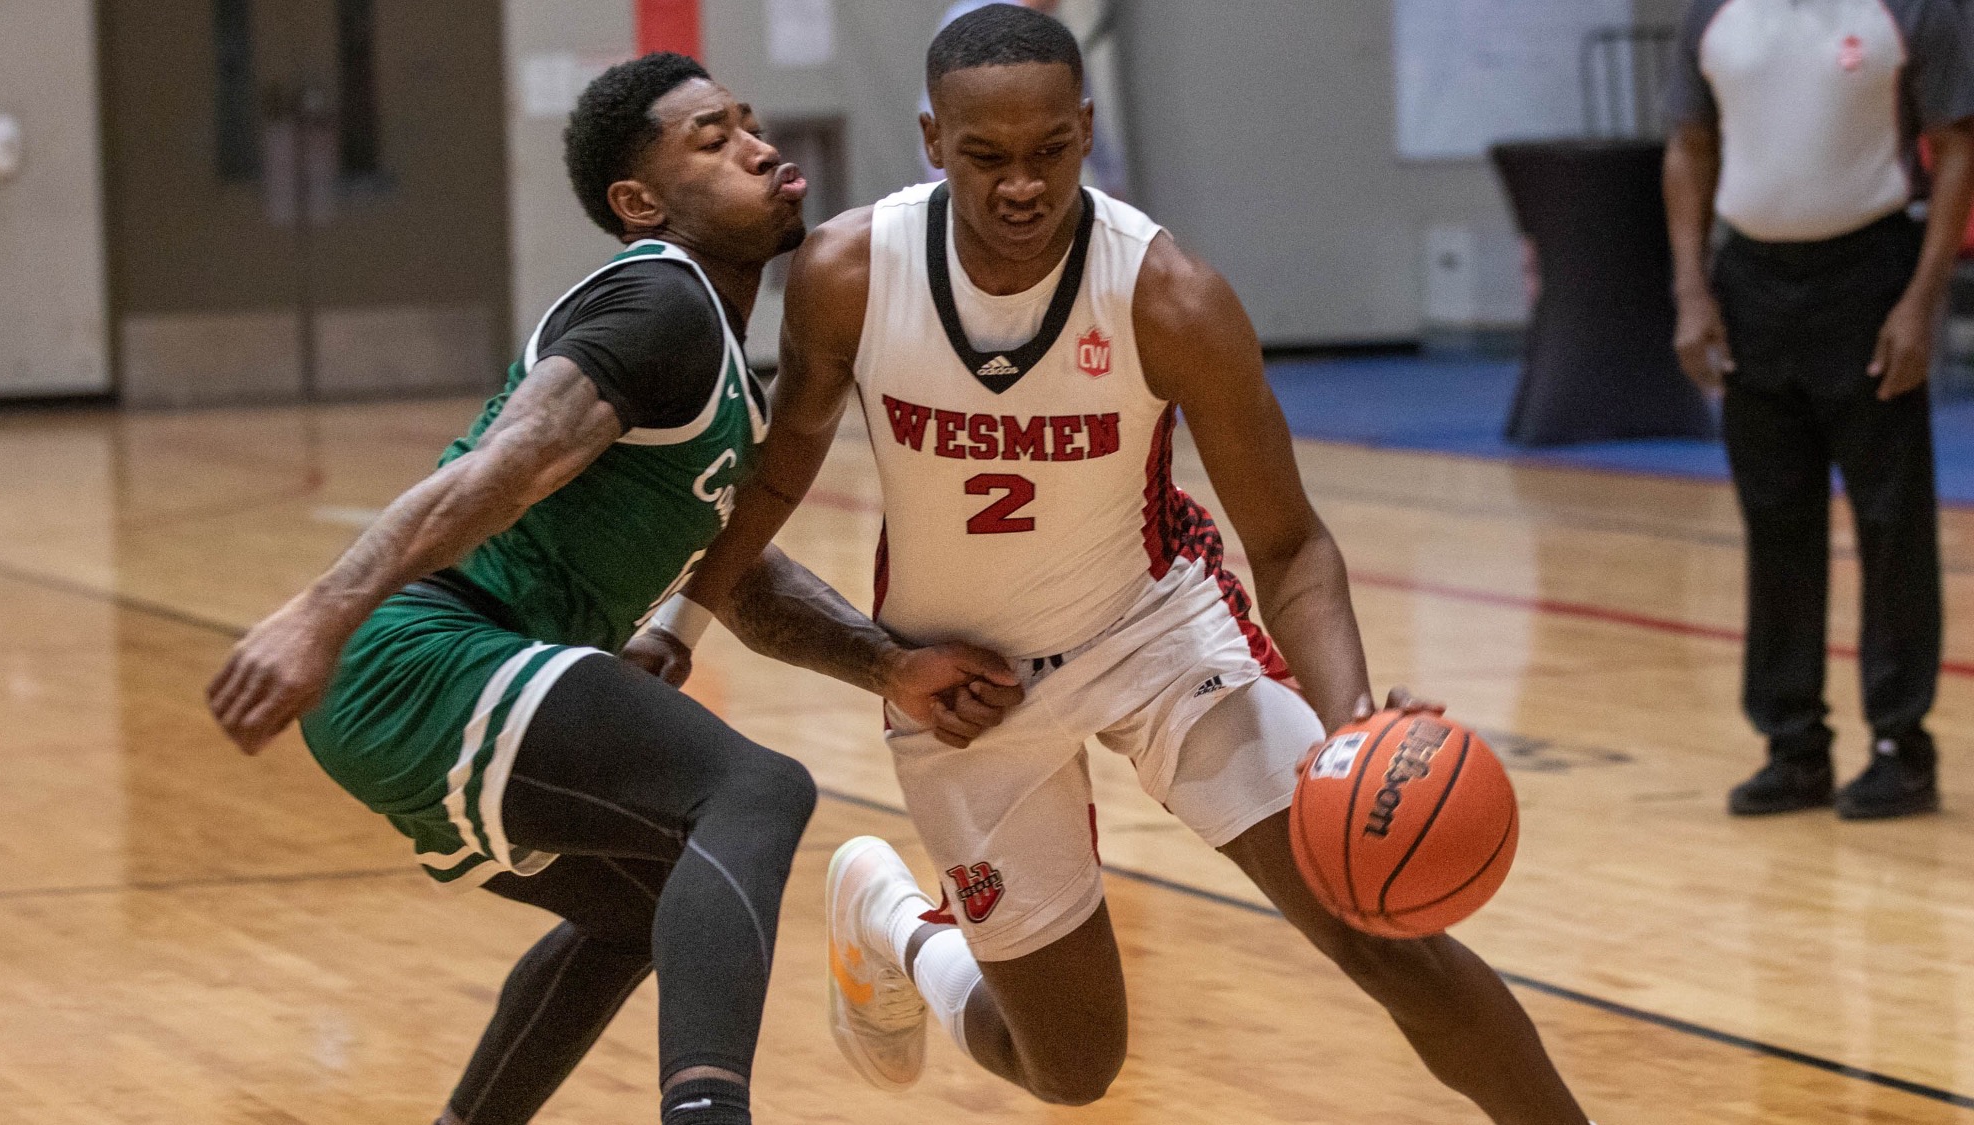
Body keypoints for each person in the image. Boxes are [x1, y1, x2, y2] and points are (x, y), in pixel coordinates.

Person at [639, 9, 1591, 1121]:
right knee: (1072, 1067)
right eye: (985, 157)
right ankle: (898, 926)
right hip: (959, 682)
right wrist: (679, 624)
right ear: (931, 139)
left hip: (1156, 636)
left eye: (1049, 151)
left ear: (1085, 130)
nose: (1020, 187)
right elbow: (777, 473)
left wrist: (1347, 732)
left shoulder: (1167, 294)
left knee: (1386, 939)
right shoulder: (852, 271)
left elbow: (1287, 542)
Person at [206, 53, 1019, 1125]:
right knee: (754, 794)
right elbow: (510, 462)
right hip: (425, 651)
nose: (758, 147)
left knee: (645, 907)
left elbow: (740, 575)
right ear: (641, 203)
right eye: (711, 139)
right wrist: (321, 612)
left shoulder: (714, 355)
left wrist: (886, 665)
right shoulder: (662, 299)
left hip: (433, 672)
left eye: (749, 123)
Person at [1665, 0, 1974, 819]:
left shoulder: (1912, 10)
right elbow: (1689, 147)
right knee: (1775, 520)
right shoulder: (1711, 14)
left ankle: (1900, 746)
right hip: (1750, 285)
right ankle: (1793, 744)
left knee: (1891, 520)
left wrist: (1921, 302)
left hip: (1870, 277)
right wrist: (1692, 289)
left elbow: (1956, 150)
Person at [919, 0, 1127, 197]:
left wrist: (1111, 183)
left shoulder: (1059, 40)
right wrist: (942, 184)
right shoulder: (969, 22)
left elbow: (1084, 114)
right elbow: (941, 108)